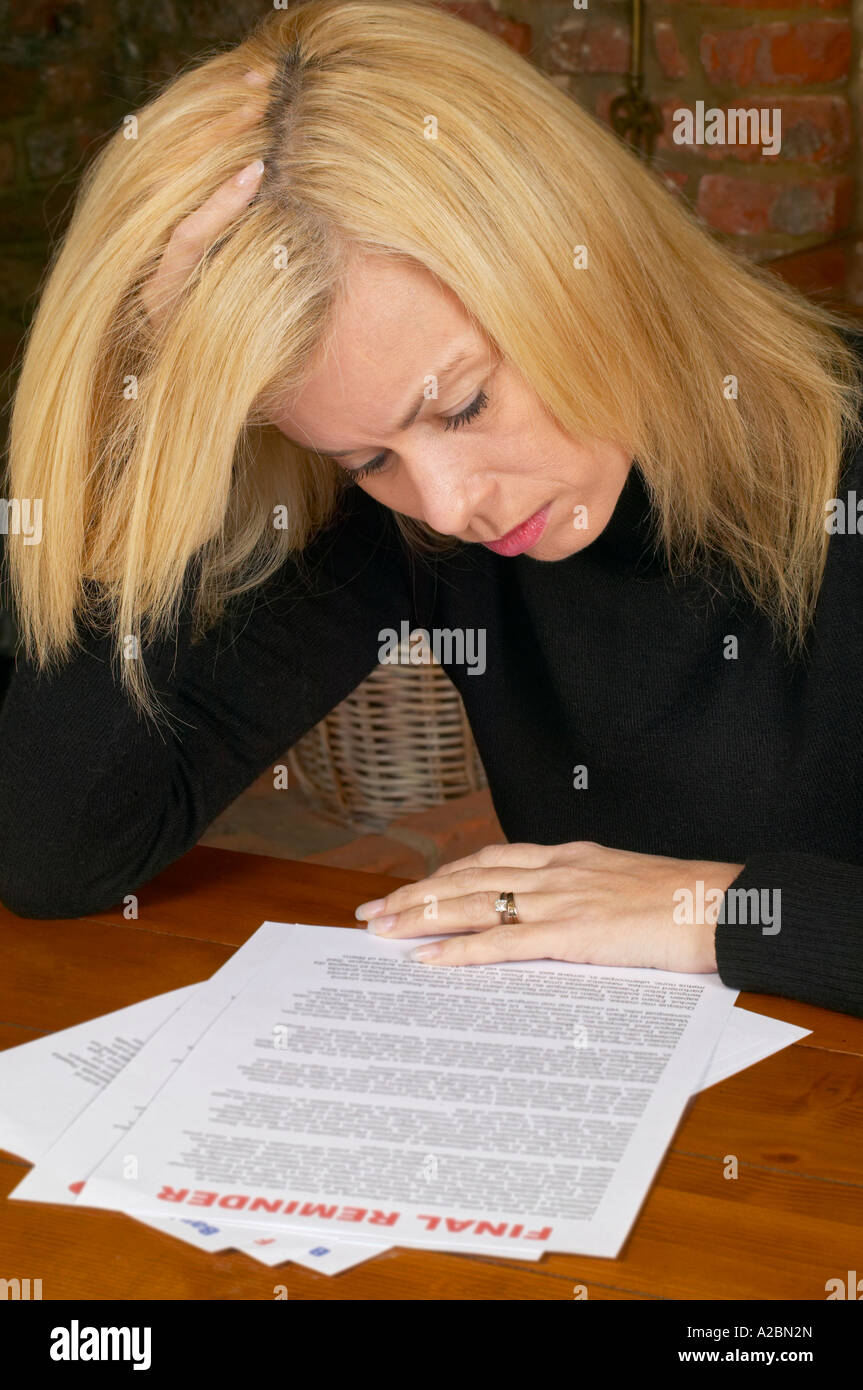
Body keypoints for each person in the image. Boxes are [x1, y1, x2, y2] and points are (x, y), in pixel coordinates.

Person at [2, 0, 863, 1016]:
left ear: (577, 257)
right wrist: (151, 430)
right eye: (367, 456)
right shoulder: (407, 520)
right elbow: (55, 850)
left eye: (465, 403)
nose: (448, 505)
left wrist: (722, 909)